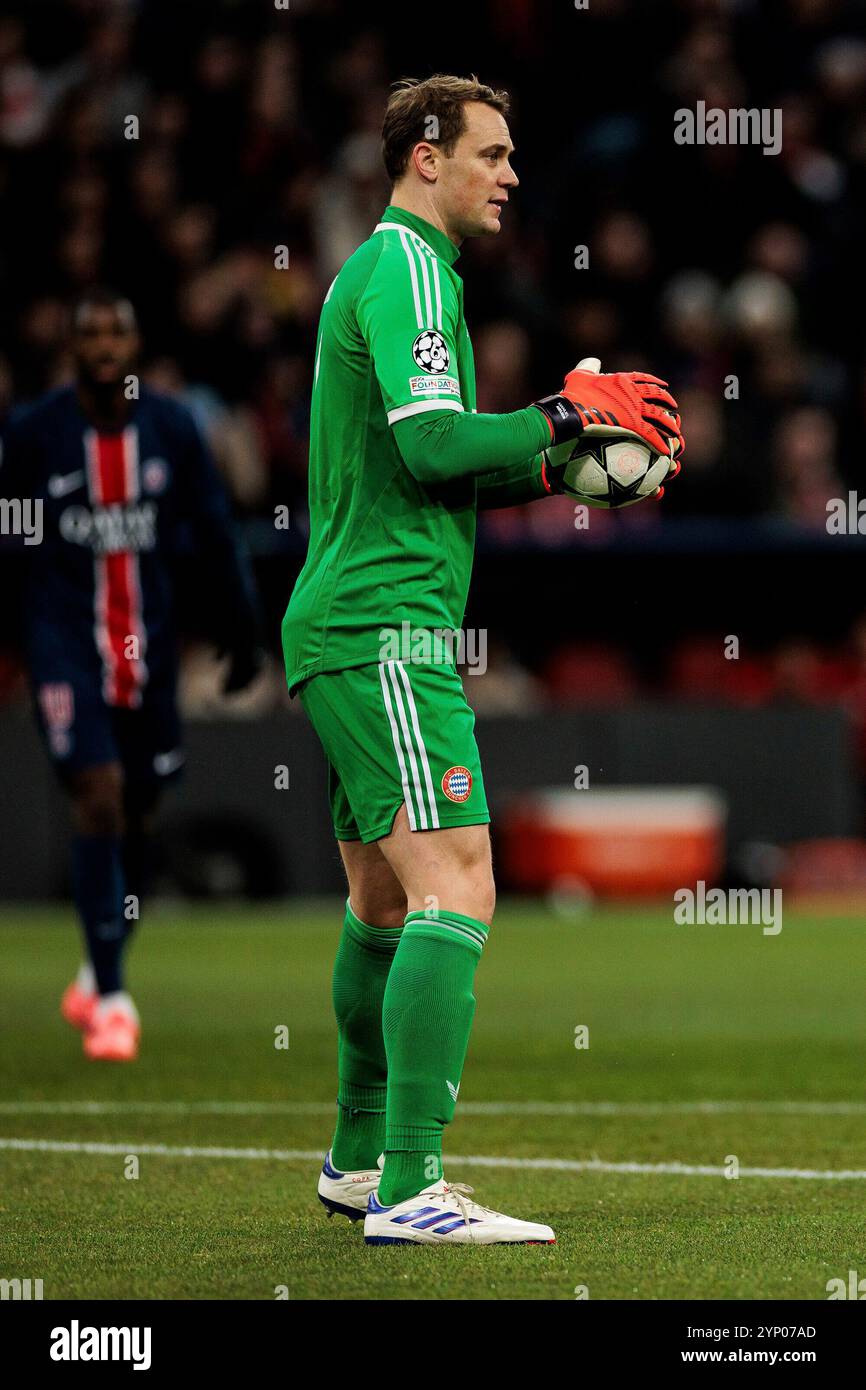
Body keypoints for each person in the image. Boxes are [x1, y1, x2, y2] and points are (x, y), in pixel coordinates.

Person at [281, 75, 683, 1244]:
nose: (510, 175)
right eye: (492, 154)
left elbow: (439, 462)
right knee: (457, 880)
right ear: (423, 157)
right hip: (386, 624)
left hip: (348, 621)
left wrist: (563, 465)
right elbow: (441, 443)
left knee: (383, 902)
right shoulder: (406, 270)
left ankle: (361, 1162)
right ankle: (411, 1186)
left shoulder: (405, 274)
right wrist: (564, 420)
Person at [0, 289, 262, 1061]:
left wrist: (241, 627)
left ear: (138, 344)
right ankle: (113, 1001)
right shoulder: (35, 435)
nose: (107, 343)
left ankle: (99, 967)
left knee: (143, 813)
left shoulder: (172, 427)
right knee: (100, 798)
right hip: (64, 645)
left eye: (120, 329)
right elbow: (9, 536)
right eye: (93, 332)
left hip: (147, 644)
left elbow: (214, 531)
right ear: (73, 348)